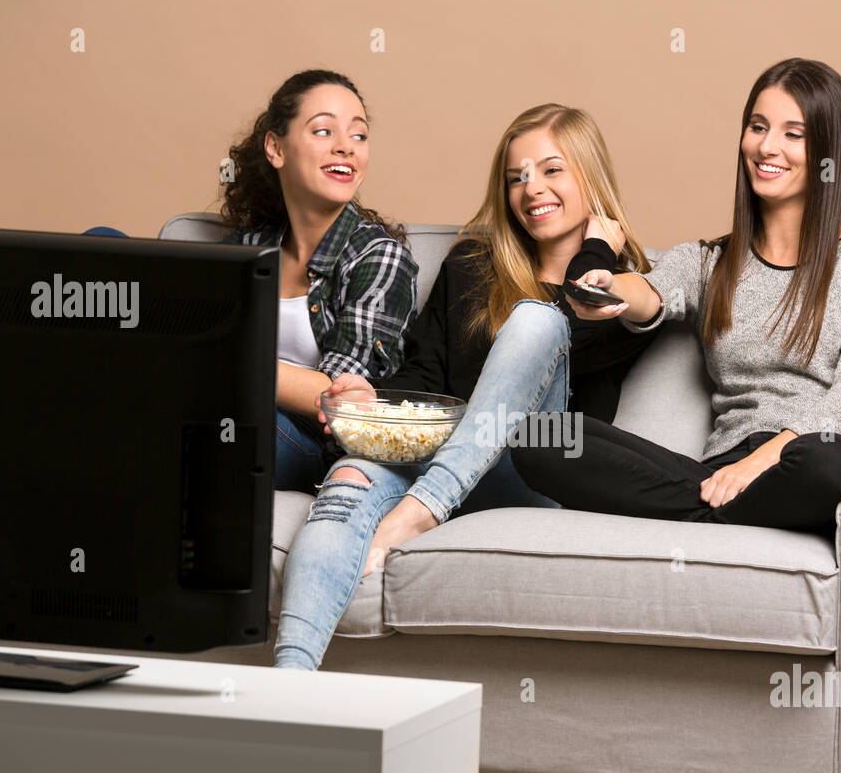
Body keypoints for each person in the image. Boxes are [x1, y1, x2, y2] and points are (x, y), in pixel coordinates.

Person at [273, 103, 661, 670]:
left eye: (552, 170)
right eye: (516, 177)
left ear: (590, 176)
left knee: (537, 320)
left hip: (533, 468)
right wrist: (370, 403)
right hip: (433, 455)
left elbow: (581, 311)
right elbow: (423, 378)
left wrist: (596, 252)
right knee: (349, 477)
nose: (532, 189)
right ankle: (288, 688)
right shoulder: (474, 264)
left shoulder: (626, 289)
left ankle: (421, 509)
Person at [510, 58, 841, 538]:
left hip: (809, 457)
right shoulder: (712, 260)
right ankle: (726, 517)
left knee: (828, 461)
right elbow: (649, 293)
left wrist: (759, 463)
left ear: (829, 150)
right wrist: (609, 284)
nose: (766, 146)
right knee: (538, 436)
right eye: (757, 127)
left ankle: (706, 515)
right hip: (716, 473)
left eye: (792, 134)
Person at [219, 69, 419, 493]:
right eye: (324, 130)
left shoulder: (379, 257)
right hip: (226, 407)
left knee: (238, 425)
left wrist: (232, 364)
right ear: (276, 148)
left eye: (359, 136)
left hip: (310, 445)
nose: (345, 146)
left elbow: (341, 400)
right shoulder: (251, 245)